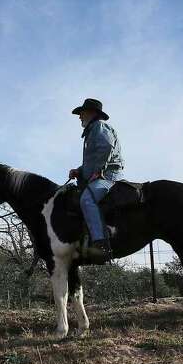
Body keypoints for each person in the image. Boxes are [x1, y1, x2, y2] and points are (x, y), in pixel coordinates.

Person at [67, 98, 124, 260]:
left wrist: (99, 170)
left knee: (87, 200)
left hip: (109, 176)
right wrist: (78, 171)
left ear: (92, 113)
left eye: (82, 113)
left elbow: (106, 146)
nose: (79, 117)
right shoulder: (92, 130)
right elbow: (91, 161)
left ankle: (101, 244)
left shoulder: (99, 126)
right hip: (101, 174)